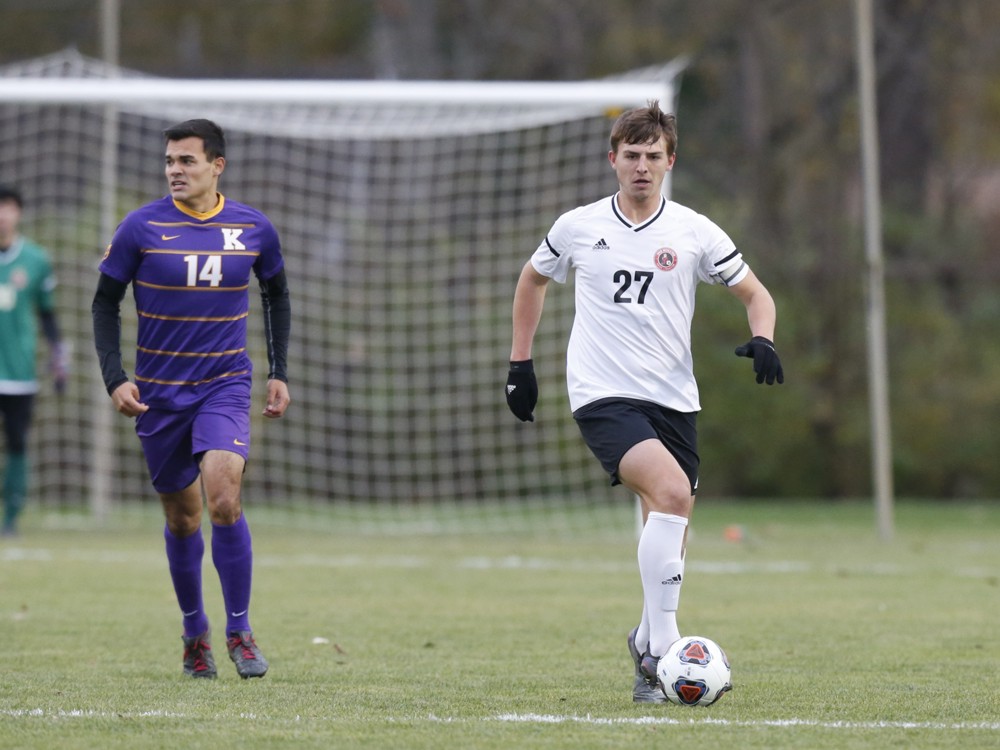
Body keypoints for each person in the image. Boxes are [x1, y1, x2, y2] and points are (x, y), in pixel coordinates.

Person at [505, 101, 783, 704]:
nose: (641, 166)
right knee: (673, 493)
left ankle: (646, 647)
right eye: (630, 155)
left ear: (670, 161)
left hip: (674, 398)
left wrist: (763, 337)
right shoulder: (578, 226)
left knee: (669, 523)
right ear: (613, 160)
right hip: (602, 393)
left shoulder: (694, 231)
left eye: (652, 156)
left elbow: (757, 294)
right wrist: (519, 363)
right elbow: (532, 278)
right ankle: (662, 648)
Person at [91, 119, 291, 680]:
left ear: (216, 166)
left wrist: (278, 372)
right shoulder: (141, 227)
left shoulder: (253, 228)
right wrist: (115, 378)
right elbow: (104, 304)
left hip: (224, 384)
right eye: (170, 161)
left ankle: (240, 630)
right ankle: (194, 632)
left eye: (187, 161)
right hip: (158, 395)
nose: (175, 170)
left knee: (224, 497)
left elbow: (277, 295)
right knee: (183, 518)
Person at [0, 185, 67, 537]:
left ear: (18, 213)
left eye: (7, 207)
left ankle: (10, 518)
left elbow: (48, 316)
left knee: (17, 444)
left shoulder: (36, 260)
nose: (2, 215)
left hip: (18, 372)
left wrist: (59, 356)